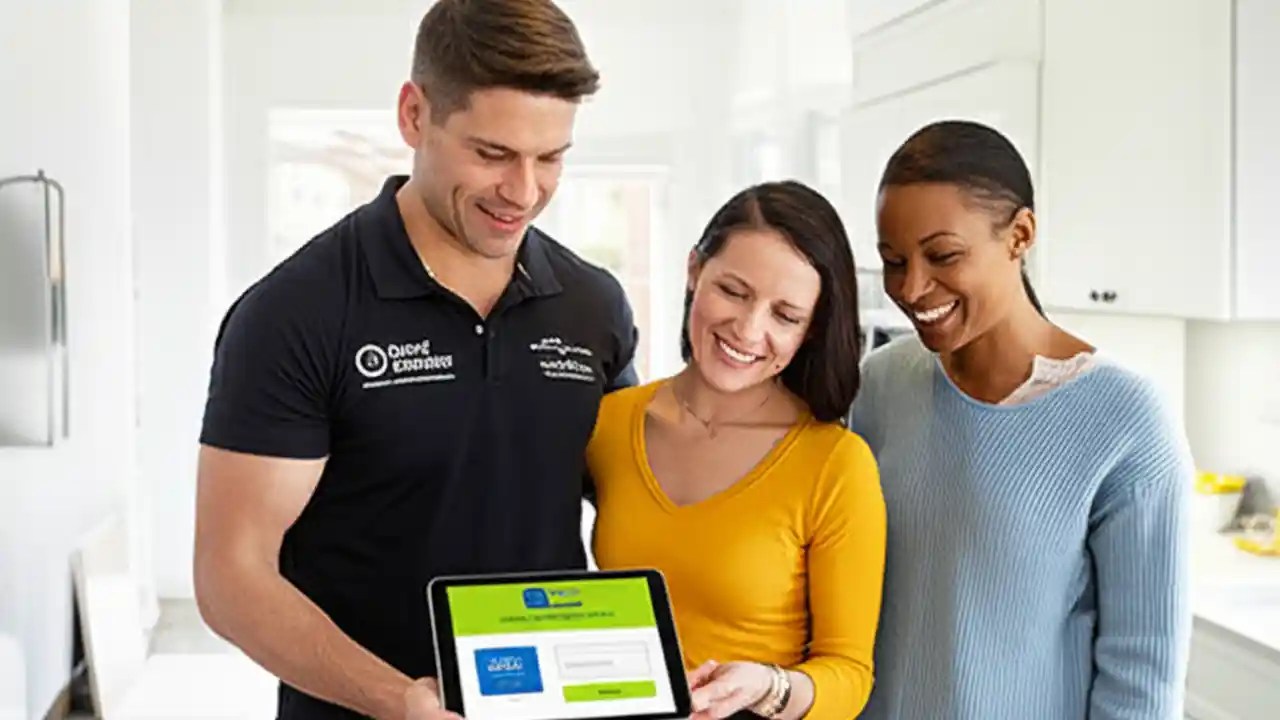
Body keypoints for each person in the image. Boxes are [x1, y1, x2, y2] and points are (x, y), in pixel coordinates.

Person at [193, 2, 637, 718]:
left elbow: (642, 495)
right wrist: (399, 701)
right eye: (492, 154)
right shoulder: (294, 313)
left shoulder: (593, 305)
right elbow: (231, 576)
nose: (524, 193)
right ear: (413, 115)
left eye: (550, 158)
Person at [849, 120, 1193, 719]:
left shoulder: (1126, 424)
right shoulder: (879, 384)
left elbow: (1142, 683)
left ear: (1020, 234)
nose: (912, 287)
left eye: (943, 255)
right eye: (893, 260)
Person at [586, 181, 887, 720]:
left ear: (810, 331)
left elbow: (849, 674)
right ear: (694, 269)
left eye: (785, 316)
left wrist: (767, 687)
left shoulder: (835, 464)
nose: (749, 330)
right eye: (734, 291)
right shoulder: (609, 423)